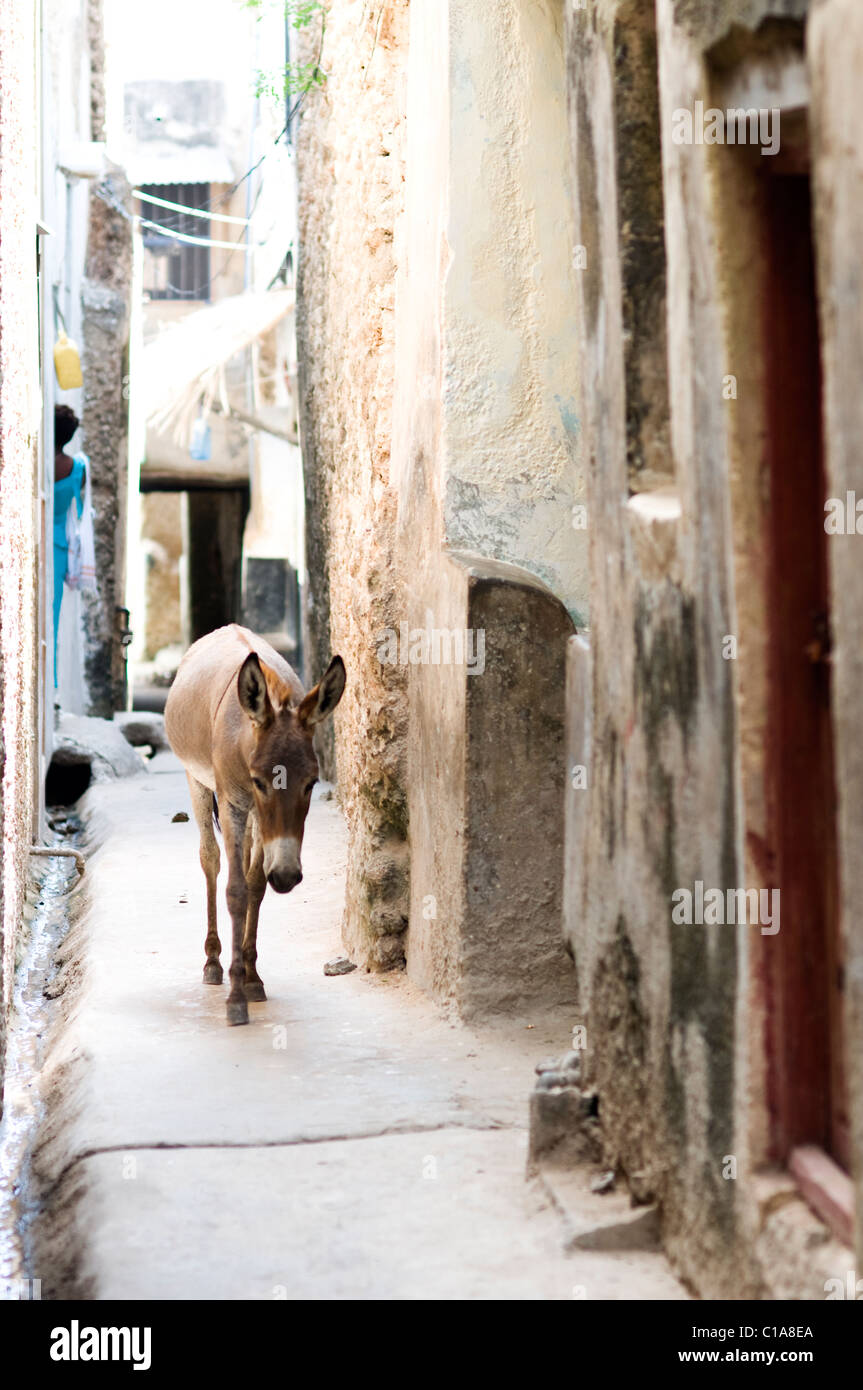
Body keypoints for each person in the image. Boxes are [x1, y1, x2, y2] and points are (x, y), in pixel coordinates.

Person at [53, 405, 87, 687]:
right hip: (60, 548)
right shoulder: (77, 468)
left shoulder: (37, 463)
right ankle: (51, 685)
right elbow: (81, 508)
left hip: (42, 540)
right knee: (52, 618)